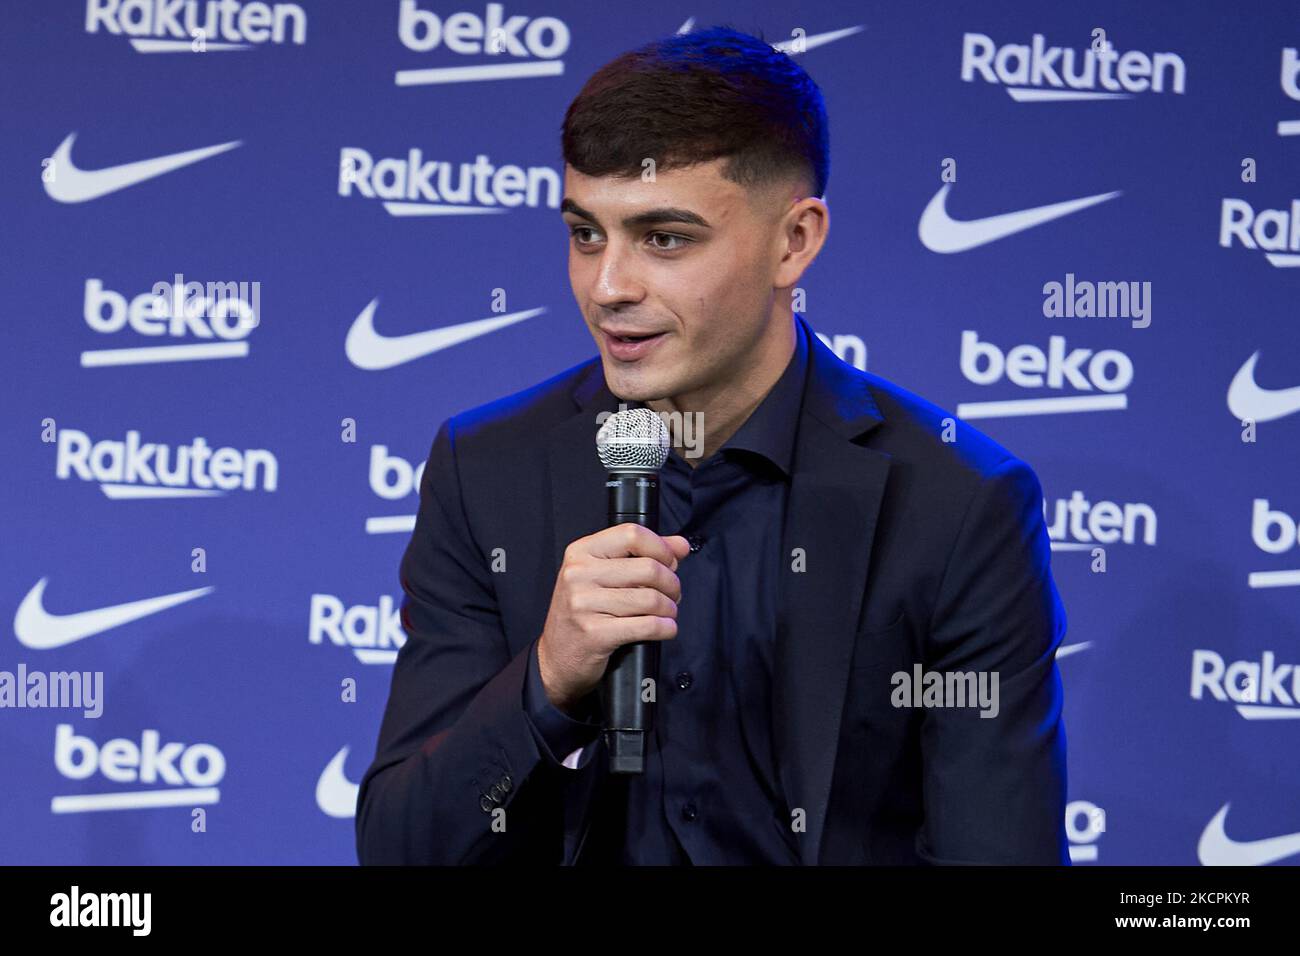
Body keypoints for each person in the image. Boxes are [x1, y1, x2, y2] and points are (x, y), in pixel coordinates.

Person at [356, 25, 1068, 865]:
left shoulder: (955, 504)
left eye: (664, 239)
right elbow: (401, 848)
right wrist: (546, 681)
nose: (609, 287)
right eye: (587, 234)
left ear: (793, 241)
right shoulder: (487, 469)